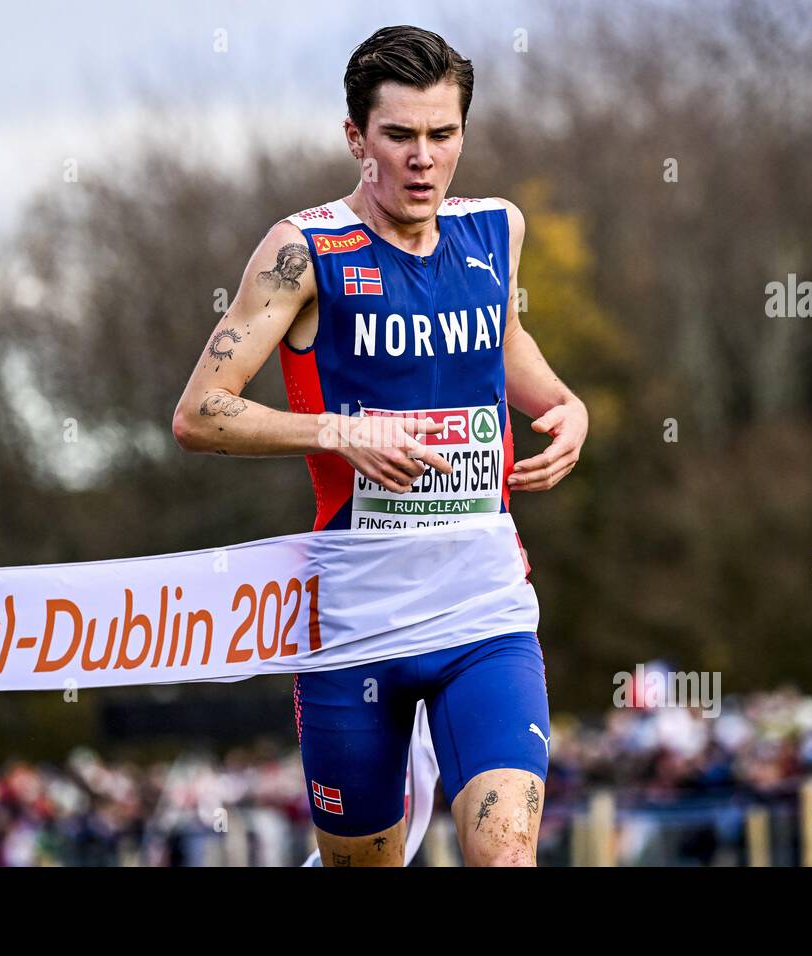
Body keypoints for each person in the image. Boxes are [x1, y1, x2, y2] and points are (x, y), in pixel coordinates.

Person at [173, 25, 588, 866]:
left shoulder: (495, 231)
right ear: (357, 138)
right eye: (399, 136)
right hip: (355, 622)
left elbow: (498, 342)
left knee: (506, 855)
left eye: (444, 135)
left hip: (484, 610)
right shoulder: (304, 252)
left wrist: (566, 404)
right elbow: (199, 413)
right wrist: (335, 430)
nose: (424, 159)